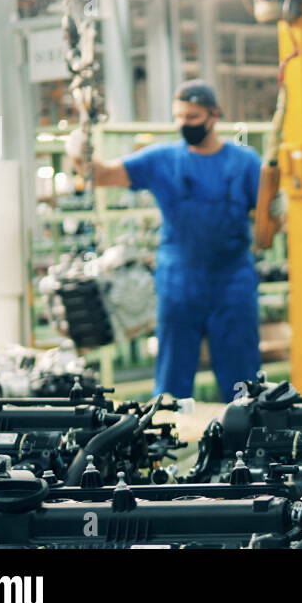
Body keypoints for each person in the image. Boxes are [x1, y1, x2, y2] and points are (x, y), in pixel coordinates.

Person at [65, 79, 262, 401]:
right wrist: (77, 154)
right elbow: (100, 175)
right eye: (179, 117)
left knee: (242, 380)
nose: (185, 124)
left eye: (193, 117)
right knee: (172, 377)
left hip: (232, 282)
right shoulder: (161, 160)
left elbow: (270, 220)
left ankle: (245, 439)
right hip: (179, 281)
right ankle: (169, 435)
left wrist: (276, 206)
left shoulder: (245, 163)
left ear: (214, 116)